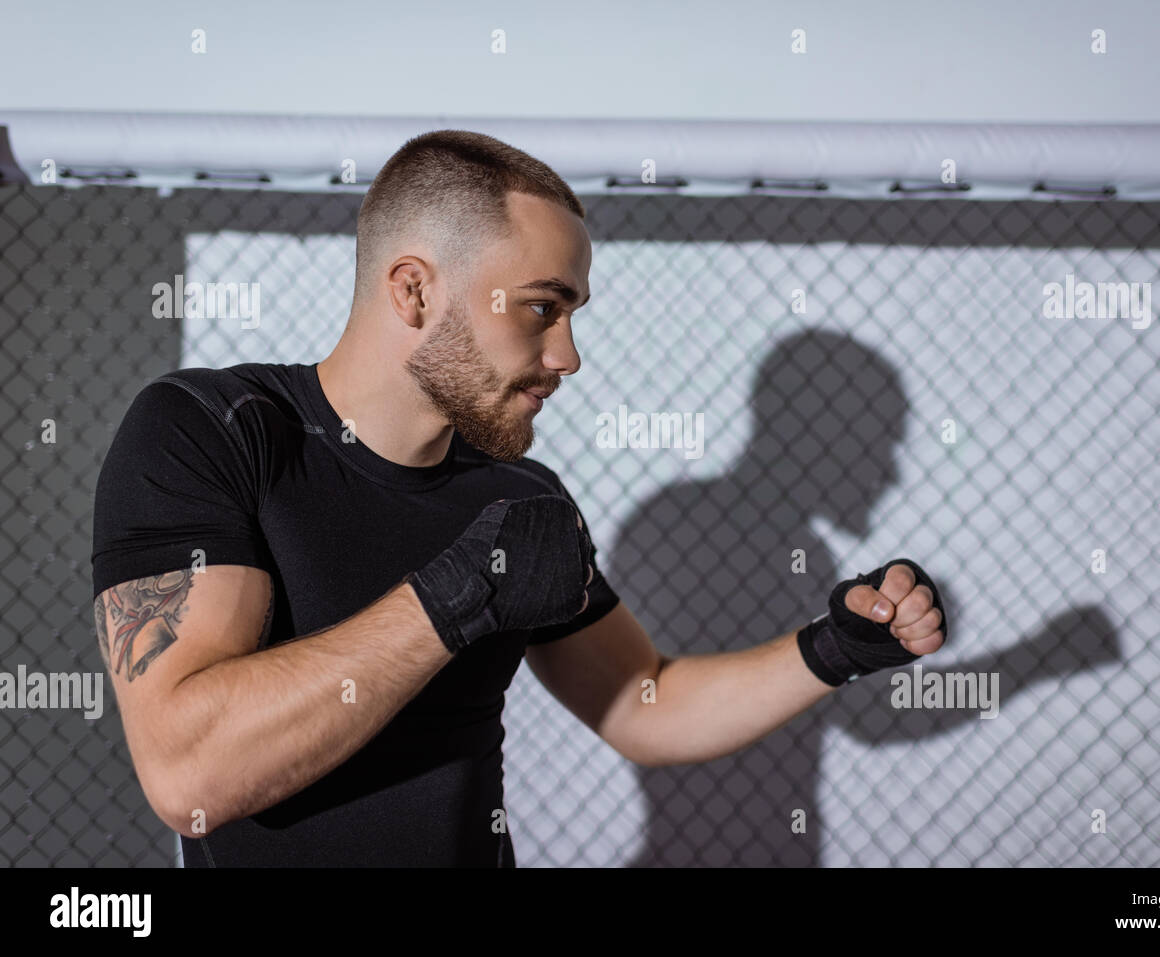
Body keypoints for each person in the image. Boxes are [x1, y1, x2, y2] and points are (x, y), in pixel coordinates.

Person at [91, 130, 946, 867]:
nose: (567, 356)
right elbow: (189, 773)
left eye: (571, 313)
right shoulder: (215, 432)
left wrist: (835, 647)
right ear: (415, 290)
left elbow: (643, 702)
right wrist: (456, 598)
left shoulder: (518, 497)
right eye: (541, 308)